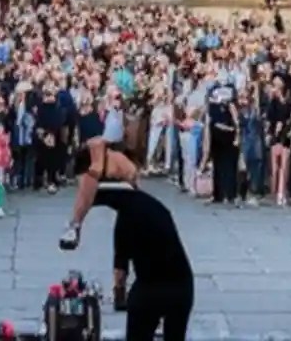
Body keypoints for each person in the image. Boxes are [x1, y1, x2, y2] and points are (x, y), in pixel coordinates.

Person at [59, 138, 193, 341]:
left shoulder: (125, 218)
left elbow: (120, 270)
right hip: (182, 285)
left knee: (139, 327)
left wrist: (119, 295)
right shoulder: (151, 206)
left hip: (150, 289)